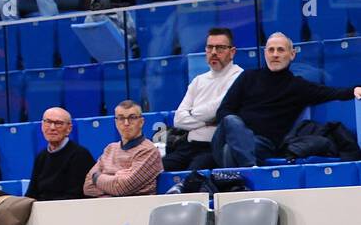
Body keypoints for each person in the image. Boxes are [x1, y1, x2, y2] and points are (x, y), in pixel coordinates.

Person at [211, 33, 361, 168]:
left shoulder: (297, 86)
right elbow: (223, 111)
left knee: (229, 151)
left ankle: (240, 178)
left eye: (280, 50)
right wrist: (239, 134)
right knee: (230, 121)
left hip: (262, 144)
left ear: (292, 54)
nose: (275, 54)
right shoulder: (248, 77)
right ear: (265, 53)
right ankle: (251, 170)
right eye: (271, 50)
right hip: (230, 137)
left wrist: (354, 90)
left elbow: (331, 93)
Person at [166, 28, 244, 171]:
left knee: (194, 174)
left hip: (213, 147)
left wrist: (192, 113)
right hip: (187, 146)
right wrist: (208, 121)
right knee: (159, 169)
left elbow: (218, 108)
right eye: (210, 47)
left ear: (232, 52)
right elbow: (178, 119)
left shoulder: (239, 77)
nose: (214, 52)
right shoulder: (198, 80)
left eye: (220, 48)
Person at [82, 100, 163, 197]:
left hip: (138, 208)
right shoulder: (110, 149)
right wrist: (116, 180)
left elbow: (122, 188)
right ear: (116, 122)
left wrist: (96, 177)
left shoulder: (149, 151)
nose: (126, 123)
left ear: (141, 122)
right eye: (121, 118)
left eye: (132, 118)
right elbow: (88, 187)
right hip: (107, 208)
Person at [25, 108, 95, 201]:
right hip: (42, 209)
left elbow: (75, 196)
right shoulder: (41, 156)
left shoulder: (80, 155)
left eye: (58, 123)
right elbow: (31, 193)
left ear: (69, 129)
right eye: (48, 122)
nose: (52, 127)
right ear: (42, 126)